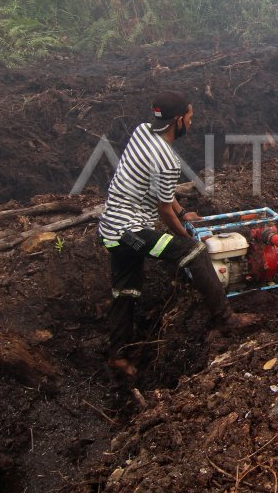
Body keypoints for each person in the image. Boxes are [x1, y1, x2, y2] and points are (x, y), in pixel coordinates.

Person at [98, 90, 258, 379]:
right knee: (193, 253)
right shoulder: (167, 161)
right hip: (129, 233)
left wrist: (184, 213)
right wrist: (187, 235)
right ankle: (226, 318)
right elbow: (163, 209)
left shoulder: (142, 132)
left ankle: (117, 356)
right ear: (177, 121)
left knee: (127, 291)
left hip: (109, 228)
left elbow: (164, 194)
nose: (192, 123)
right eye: (190, 118)